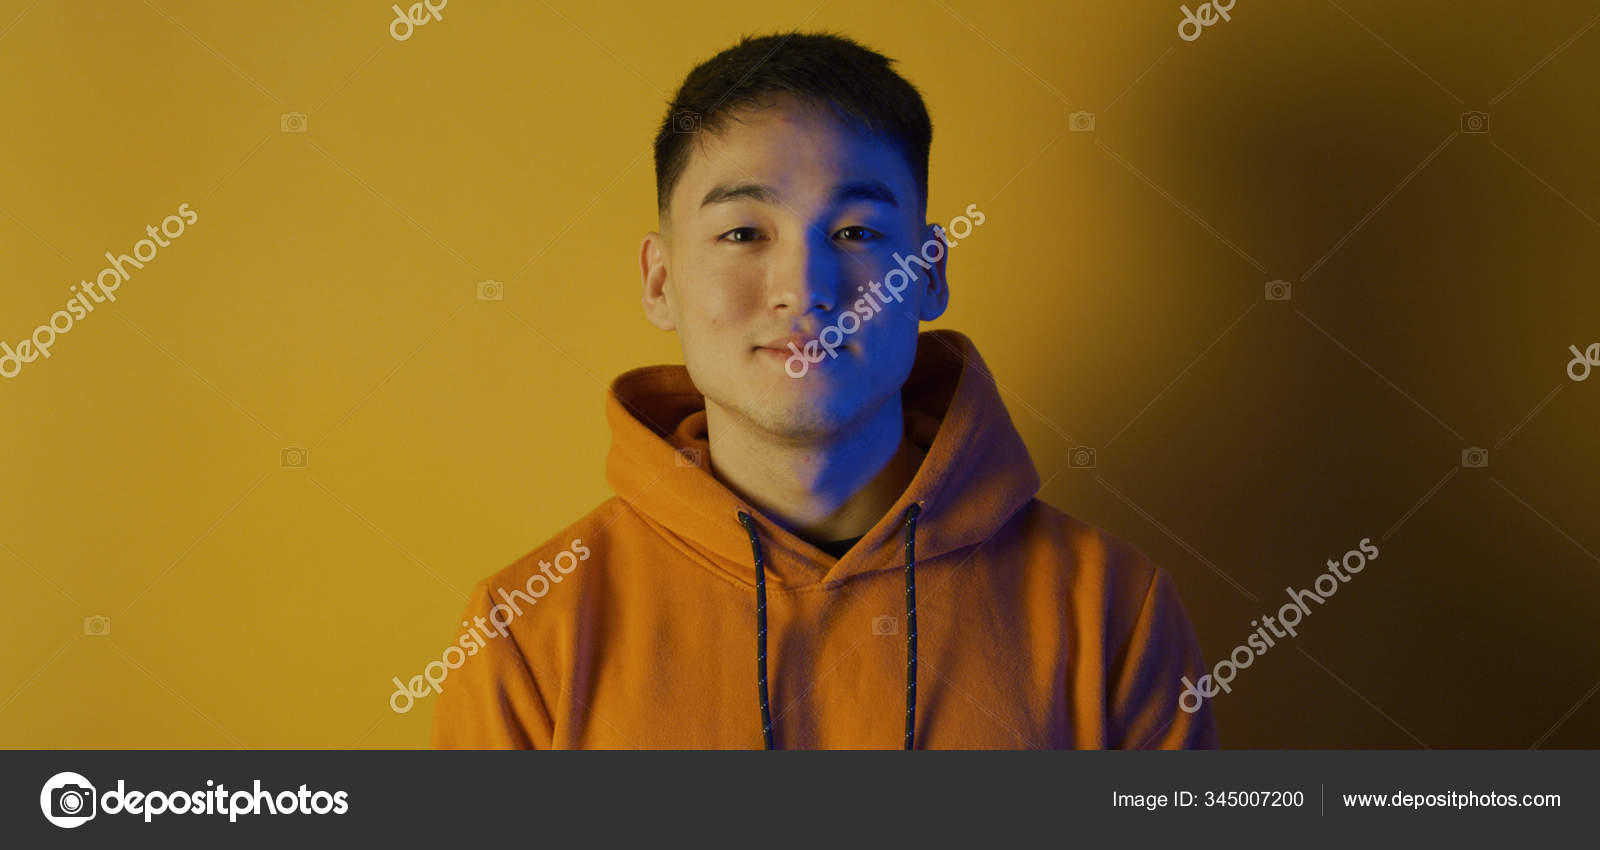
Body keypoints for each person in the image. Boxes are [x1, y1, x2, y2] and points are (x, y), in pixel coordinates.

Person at [431, 30, 1217, 749]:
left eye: (856, 233)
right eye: (743, 233)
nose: (805, 288)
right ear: (661, 281)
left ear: (929, 273)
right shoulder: (526, 632)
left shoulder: (1113, 609)